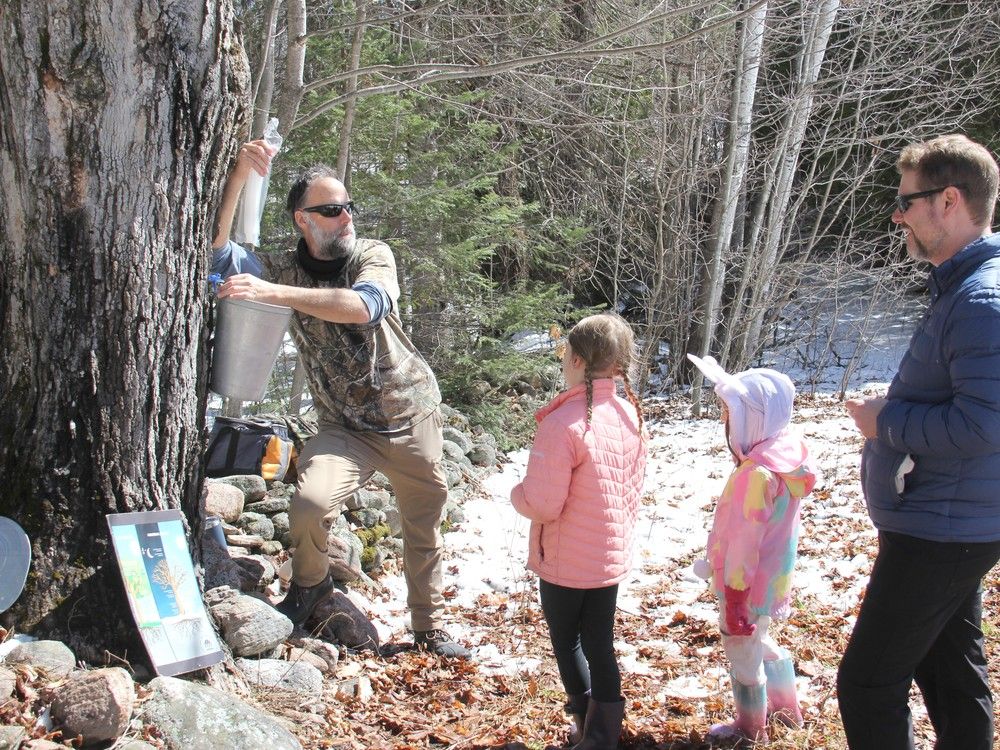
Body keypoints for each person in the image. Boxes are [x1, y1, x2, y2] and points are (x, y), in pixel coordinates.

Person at [210, 139, 469, 658]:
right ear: (302, 220)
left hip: (410, 414)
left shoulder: (374, 255)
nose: (345, 217)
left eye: (348, 206)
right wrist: (240, 173)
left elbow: (364, 307)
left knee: (423, 529)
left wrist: (275, 294)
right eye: (331, 210)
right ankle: (312, 586)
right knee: (308, 504)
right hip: (345, 428)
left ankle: (429, 628)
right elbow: (218, 254)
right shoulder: (283, 266)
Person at [839, 134, 1000, 749]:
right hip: (949, 520)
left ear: (950, 200)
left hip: (944, 530)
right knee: (949, 671)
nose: (897, 214)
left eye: (907, 201)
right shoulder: (966, 287)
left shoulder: (982, 299)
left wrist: (887, 423)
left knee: (868, 685)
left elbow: (984, 425)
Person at [510, 313, 647, 750]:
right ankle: (602, 736)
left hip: (567, 562)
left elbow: (543, 503)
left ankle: (585, 723)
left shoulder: (562, 424)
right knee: (601, 644)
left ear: (574, 359)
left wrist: (517, 494)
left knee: (567, 642)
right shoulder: (629, 414)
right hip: (608, 555)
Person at [687, 354, 817, 744]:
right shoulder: (782, 464)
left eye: (730, 414)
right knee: (759, 641)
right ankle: (786, 710)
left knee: (743, 652)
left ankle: (749, 729)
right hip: (771, 582)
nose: (725, 422)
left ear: (754, 420)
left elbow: (744, 543)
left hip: (745, 585)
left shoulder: (755, 475)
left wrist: (735, 595)